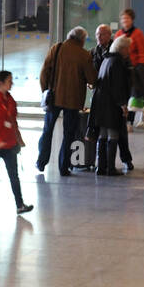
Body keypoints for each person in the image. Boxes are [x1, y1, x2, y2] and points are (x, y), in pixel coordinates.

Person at [37, 26, 96, 177]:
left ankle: (41, 162)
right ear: (82, 40)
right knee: (68, 134)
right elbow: (92, 79)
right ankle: (64, 167)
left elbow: (44, 72)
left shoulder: (56, 49)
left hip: (54, 98)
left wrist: (45, 90)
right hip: (73, 101)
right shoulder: (84, 55)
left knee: (47, 130)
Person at [0, 70, 33, 213]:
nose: (12, 83)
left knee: (14, 175)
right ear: (1, 83)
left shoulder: (10, 100)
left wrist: (19, 139)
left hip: (9, 144)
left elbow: (13, 122)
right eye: (9, 81)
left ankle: (20, 205)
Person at [91, 35, 133, 177]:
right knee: (113, 135)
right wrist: (123, 105)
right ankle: (110, 168)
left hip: (101, 104)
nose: (129, 51)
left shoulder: (106, 60)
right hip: (112, 105)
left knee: (103, 135)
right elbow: (118, 87)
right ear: (122, 49)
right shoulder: (117, 63)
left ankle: (100, 167)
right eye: (128, 48)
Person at [115, 6, 144, 144]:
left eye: (127, 18)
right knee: (124, 95)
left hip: (135, 69)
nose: (125, 21)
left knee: (135, 95)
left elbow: (142, 52)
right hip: (122, 69)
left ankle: (130, 120)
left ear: (132, 20)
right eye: (123, 18)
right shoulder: (119, 34)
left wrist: (140, 66)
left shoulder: (138, 34)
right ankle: (125, 120)